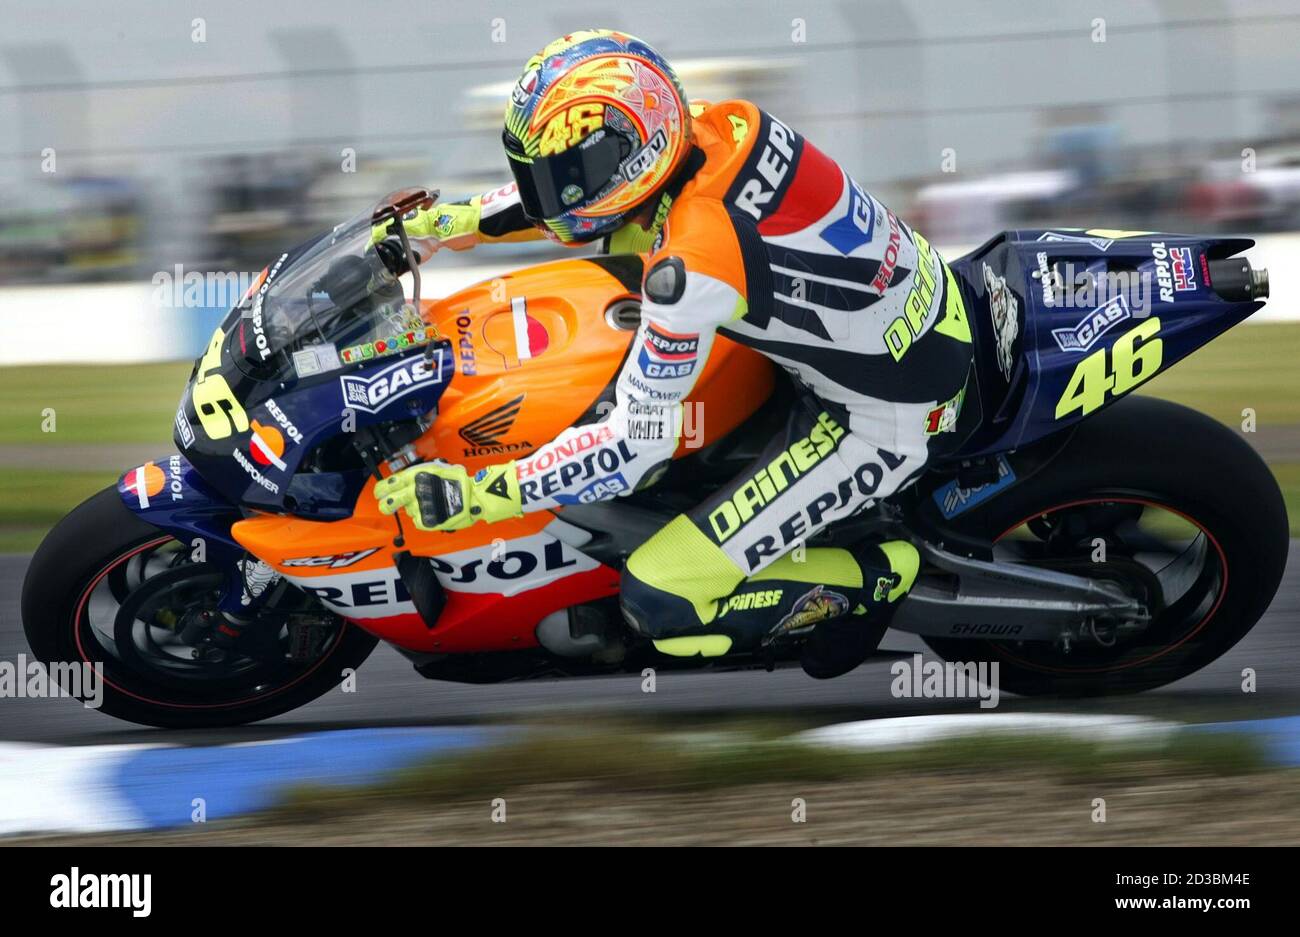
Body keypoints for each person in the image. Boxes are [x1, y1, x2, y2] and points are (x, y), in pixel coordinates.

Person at [374, 29, 973, 678]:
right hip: (908, 321)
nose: (550, 193)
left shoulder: (691, 269)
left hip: (883, 417)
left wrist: (481, 493)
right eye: (545, 176)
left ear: (632, 157)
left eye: (564, 176)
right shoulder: (721, 125)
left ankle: (878, 573)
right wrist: (453, 223)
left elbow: (633, 448)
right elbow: (585, 206)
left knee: (663, 596)